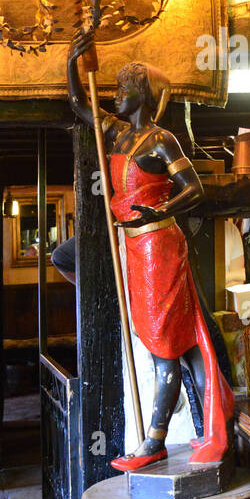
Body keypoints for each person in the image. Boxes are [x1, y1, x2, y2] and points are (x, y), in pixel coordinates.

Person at [59, 34, 234, 471]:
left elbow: (194, 189)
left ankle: (152, 441)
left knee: (162, 344)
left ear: (144, 95)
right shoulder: (117, 134)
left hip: (159, 245)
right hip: (134, 245)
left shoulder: (162, 140)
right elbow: (81, 106)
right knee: (173, 339)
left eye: (123, 89)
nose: (115, 96)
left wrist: (157, 209)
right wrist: (72, 62)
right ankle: (214, 417)